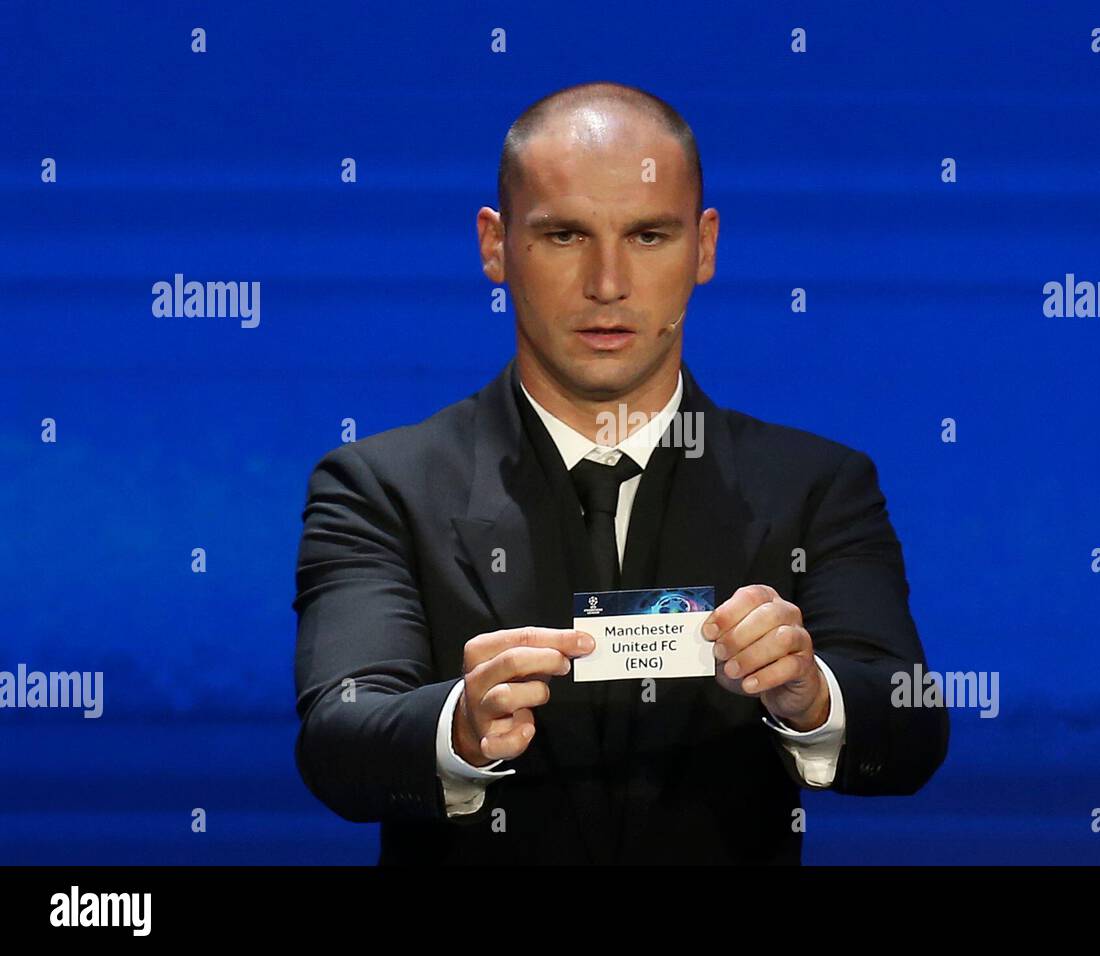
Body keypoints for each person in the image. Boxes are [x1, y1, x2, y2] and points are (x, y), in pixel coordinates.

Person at [292, 81, 948, 864]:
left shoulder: (816, 485)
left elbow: (910, 730)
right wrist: (457, 727)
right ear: (495, 246)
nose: (608, 284)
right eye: (565, 235)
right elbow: (338, 740)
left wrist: (813, 699)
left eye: (647, 236)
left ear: (704, 247)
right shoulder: (379, 486)